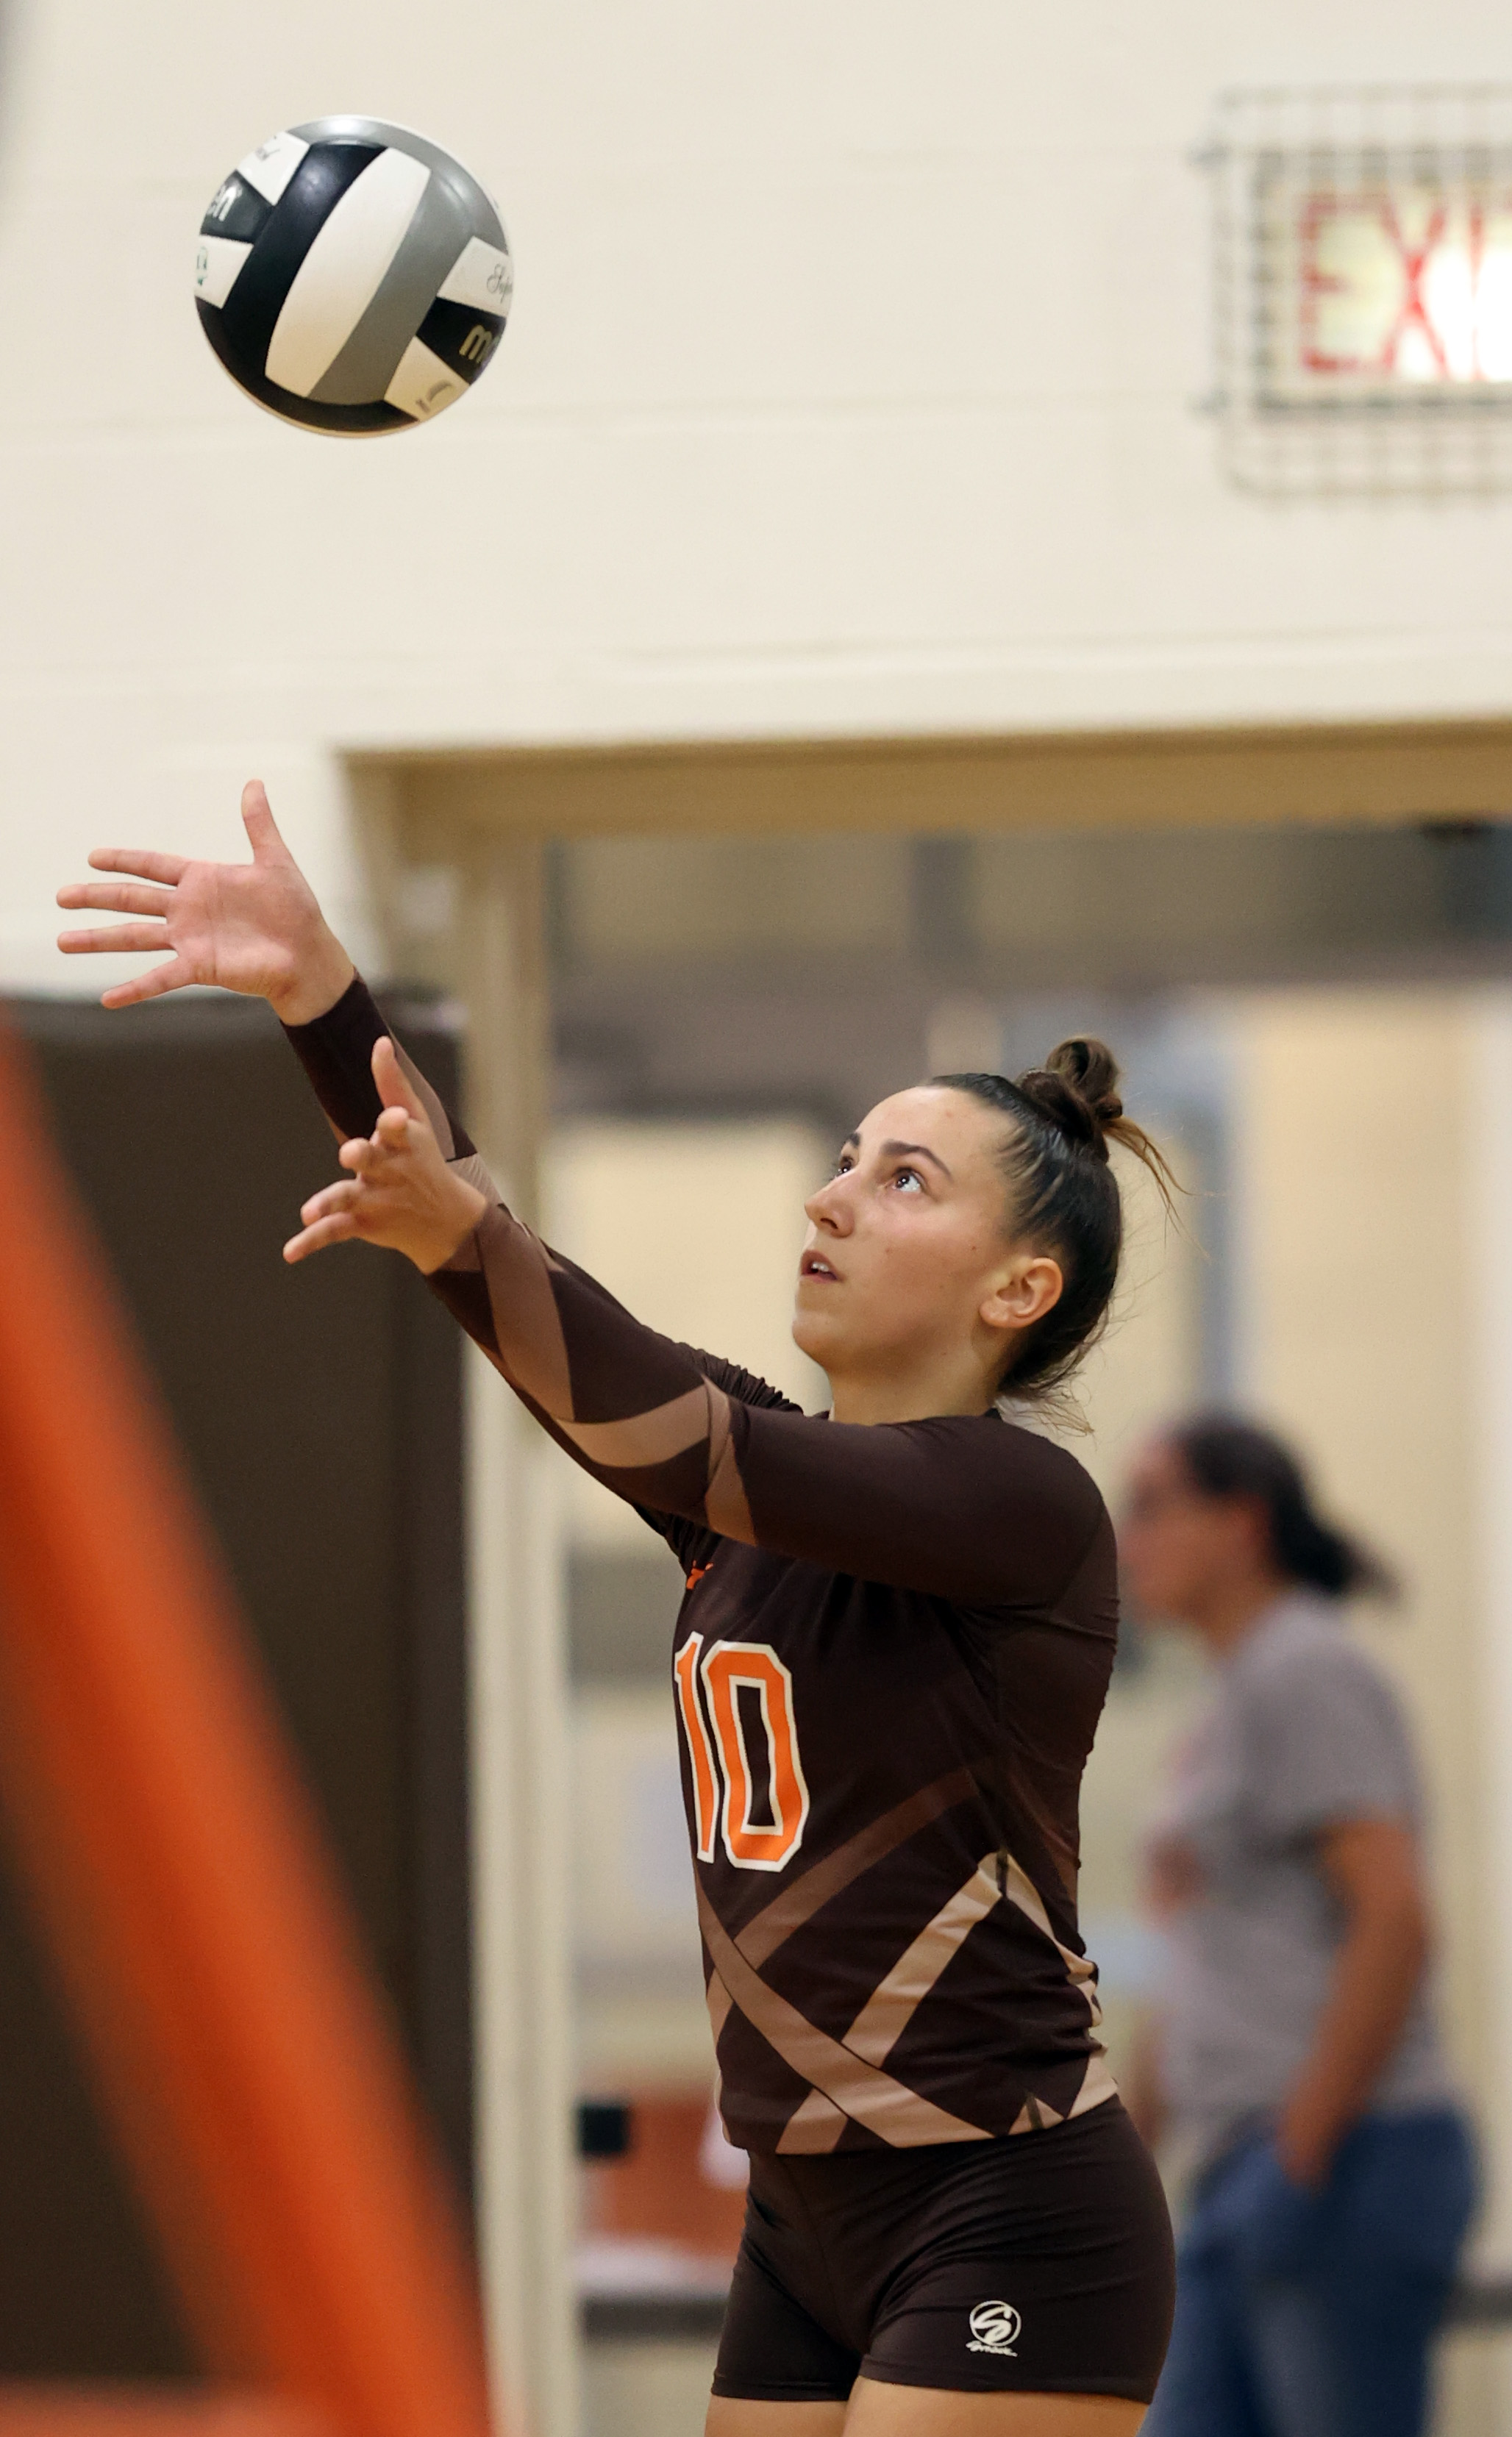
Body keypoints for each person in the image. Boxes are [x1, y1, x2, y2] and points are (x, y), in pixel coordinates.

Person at [57, 785, 1179, 2436]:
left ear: (1018, 1292)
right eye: (840, 1159)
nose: (830, 1199)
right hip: (801, 2213)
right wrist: (319, 997)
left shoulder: (1020, 1508)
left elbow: (632, 1387)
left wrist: (466, 1223)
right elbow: (521, 1297)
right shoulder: (745, 1493)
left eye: (903, 1181)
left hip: (1003, 2200)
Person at [1119, 1417, 1477, 2437]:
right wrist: (1128, 2166)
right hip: (1247, 2170)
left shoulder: (1304, 1669)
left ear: (1240, 1525)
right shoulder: (1231, 1698)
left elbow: (1396, 1919)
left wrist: (1302, 2154)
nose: (1126, 1536)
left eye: (1150, 1503)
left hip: (1347, 2158)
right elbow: (1201, 1961)